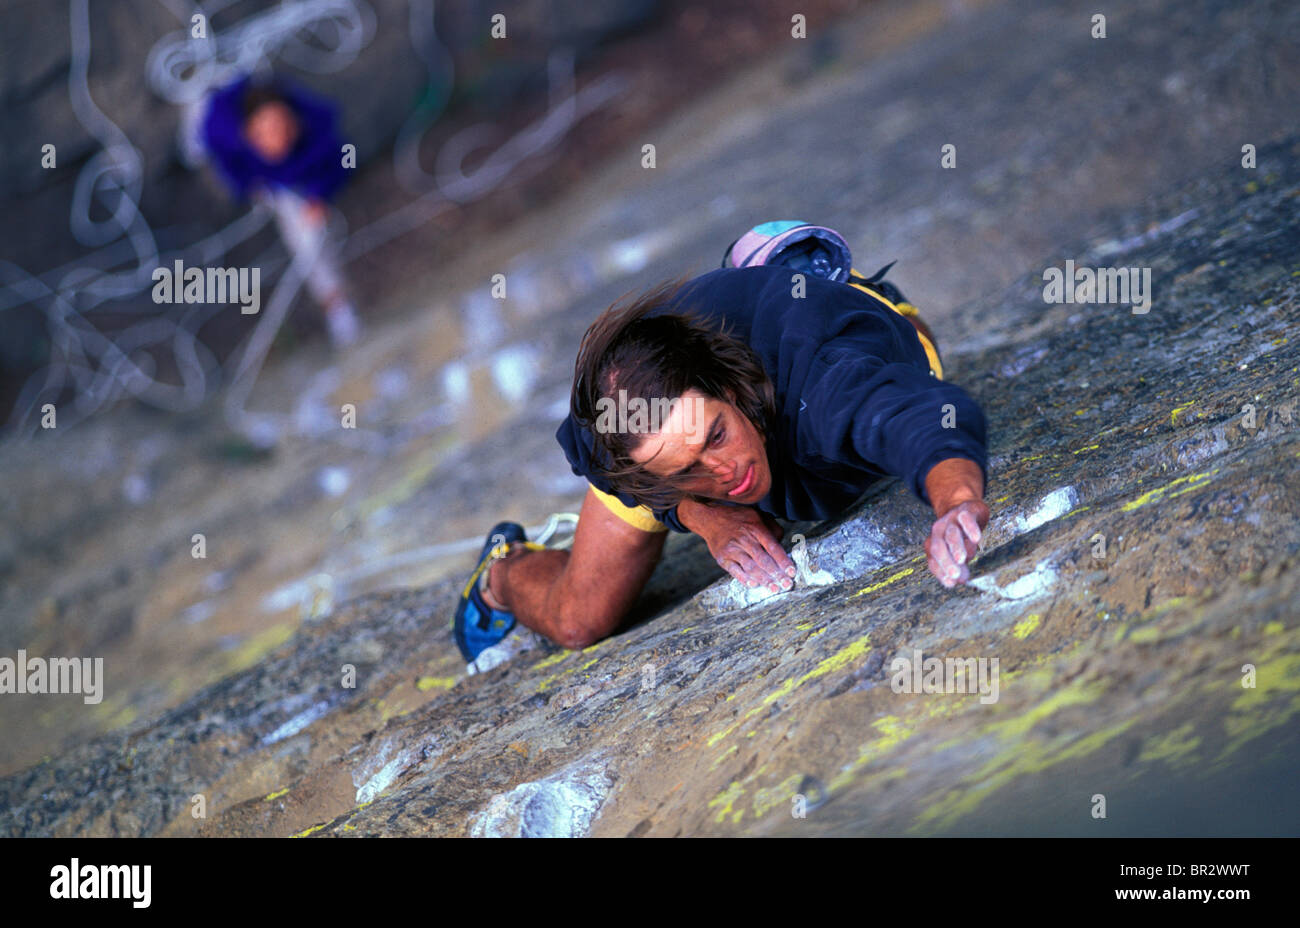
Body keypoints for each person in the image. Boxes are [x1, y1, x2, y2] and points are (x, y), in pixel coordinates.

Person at [451, 225, 991, 664]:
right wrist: (704, 515)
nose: (725, 474)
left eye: (716, 435)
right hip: (701, 333)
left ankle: (838, 285)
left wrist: (956, 506)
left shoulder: (822, 385)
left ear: (730, 389)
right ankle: (500, 571)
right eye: (685, 470)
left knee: (911, 355)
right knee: (577, 620)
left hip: (818, 329)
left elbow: (926, 422)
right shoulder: (615, 427)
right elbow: (605, 458)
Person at [201, 74, 361, 347]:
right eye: (264, 133)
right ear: (248, 132)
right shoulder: (228, 140)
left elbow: (345, 160)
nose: (277, 140)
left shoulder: (318, 133)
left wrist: (318, 195)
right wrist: (252, 186)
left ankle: (337, 305)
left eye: (282, 127)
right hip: (265, 181)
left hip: (297, 185)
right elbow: (229, 169)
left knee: (310, 239)